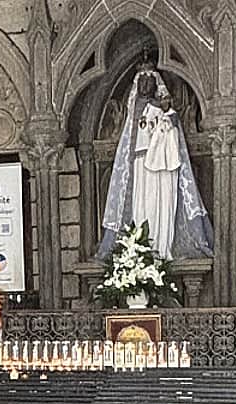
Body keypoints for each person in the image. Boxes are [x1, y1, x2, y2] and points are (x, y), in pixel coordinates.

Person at [97, 64, 213, 260]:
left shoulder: (163, 110)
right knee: (140, 207)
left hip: (160, 168)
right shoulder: (132, 113)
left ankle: (160, 246)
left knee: (159, 205)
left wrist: (167, 120)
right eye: (141, 81)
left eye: (149, 81)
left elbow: (172, 138)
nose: (145, 86)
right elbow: (128, 145)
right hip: (139, 167)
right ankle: (141, 248)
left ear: (155, 85)